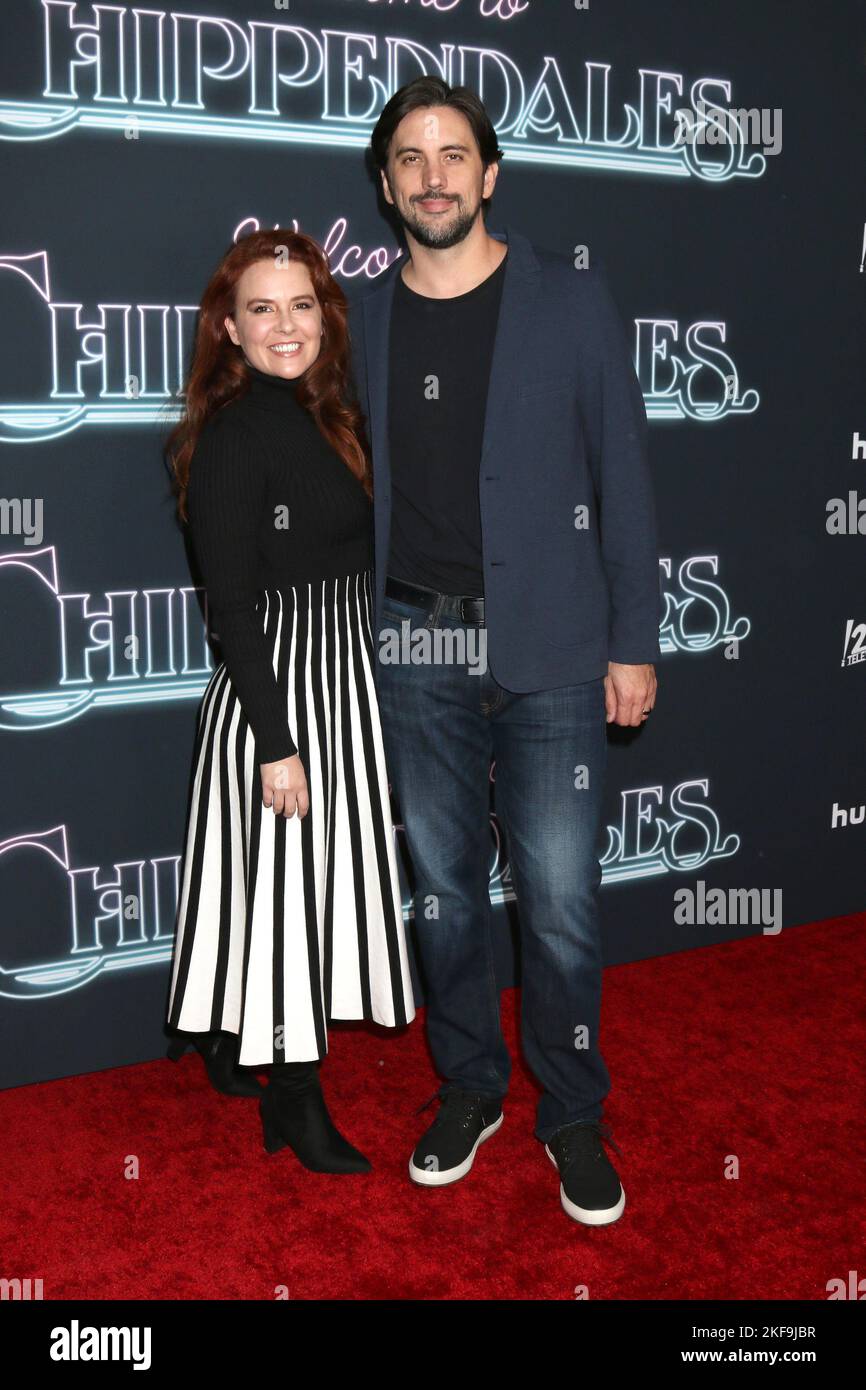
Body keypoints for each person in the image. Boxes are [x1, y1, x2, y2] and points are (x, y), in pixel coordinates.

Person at [348, 77, 661, 1223]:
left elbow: (619, 476)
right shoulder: (362, 317)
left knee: (562, 900)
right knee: (442, 893)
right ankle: (470, 1083)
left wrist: (633, 638)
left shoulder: (570, 302)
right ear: (386, 187)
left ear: (489, 174)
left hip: (556, 646)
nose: (432, 173)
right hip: (416, 639)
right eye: (409, 157)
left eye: (452, 153)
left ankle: (571, 1108)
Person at [164, 228, 416, 1174]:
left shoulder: (332, 414)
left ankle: (231, 1046)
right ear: (229, 327)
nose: (285, 325)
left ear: (325, 317)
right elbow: (228, 606)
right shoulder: (234, 434)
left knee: (273, 887)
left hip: (343, 675)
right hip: (279, 694)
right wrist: (276, 744)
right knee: (294, 896)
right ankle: (295, 1103)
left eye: (301, 304)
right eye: (261, 308)